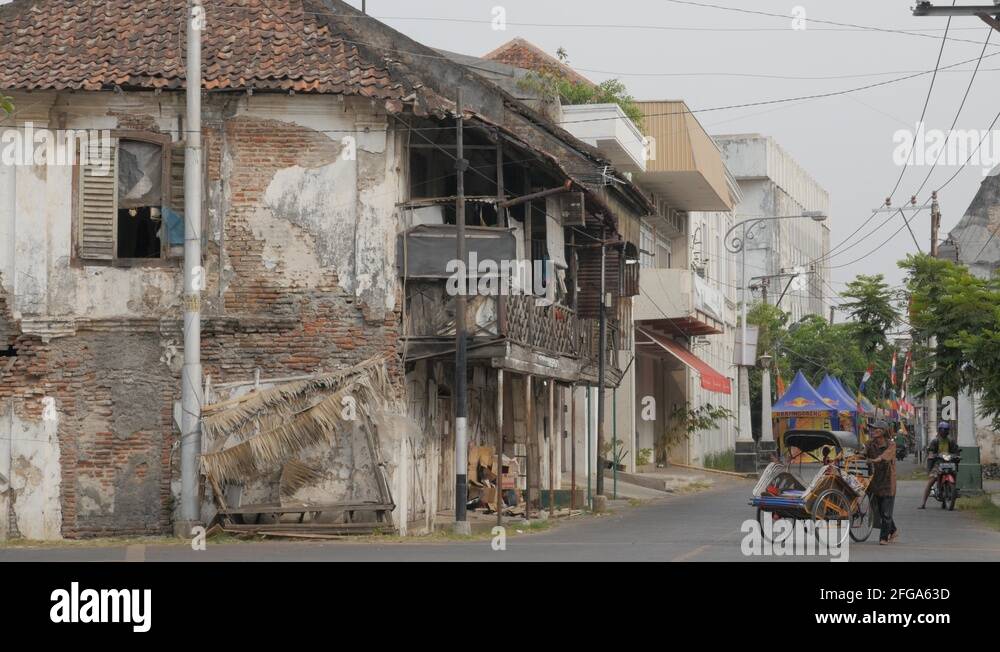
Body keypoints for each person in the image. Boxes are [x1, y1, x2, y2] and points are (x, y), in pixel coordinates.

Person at [865, 420, 898, 545]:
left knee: (886, 512)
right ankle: (893, 530)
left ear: (883, 431)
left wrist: (876, 459)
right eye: (873, 429)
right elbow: (862, 452)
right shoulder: (870, 444)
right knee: (879, 511)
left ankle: (884, 537)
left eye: (876, 429)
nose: (873, 431)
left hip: (888, 482)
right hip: (874, 481)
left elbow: (886, 455)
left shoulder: (891, 444)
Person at [919, 422, 961, 509]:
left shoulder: (951, 441)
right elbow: (931, 451)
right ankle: (923, 503)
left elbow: (956, 450)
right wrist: (932, 455)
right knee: (931, 481)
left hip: (949, 463)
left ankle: (951, 492)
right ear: (939, 430)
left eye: (946, 430)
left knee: (954, 474)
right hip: (938, 463)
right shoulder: (935, 441)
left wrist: (957, 455)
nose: (944, 432)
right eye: (942, 430)